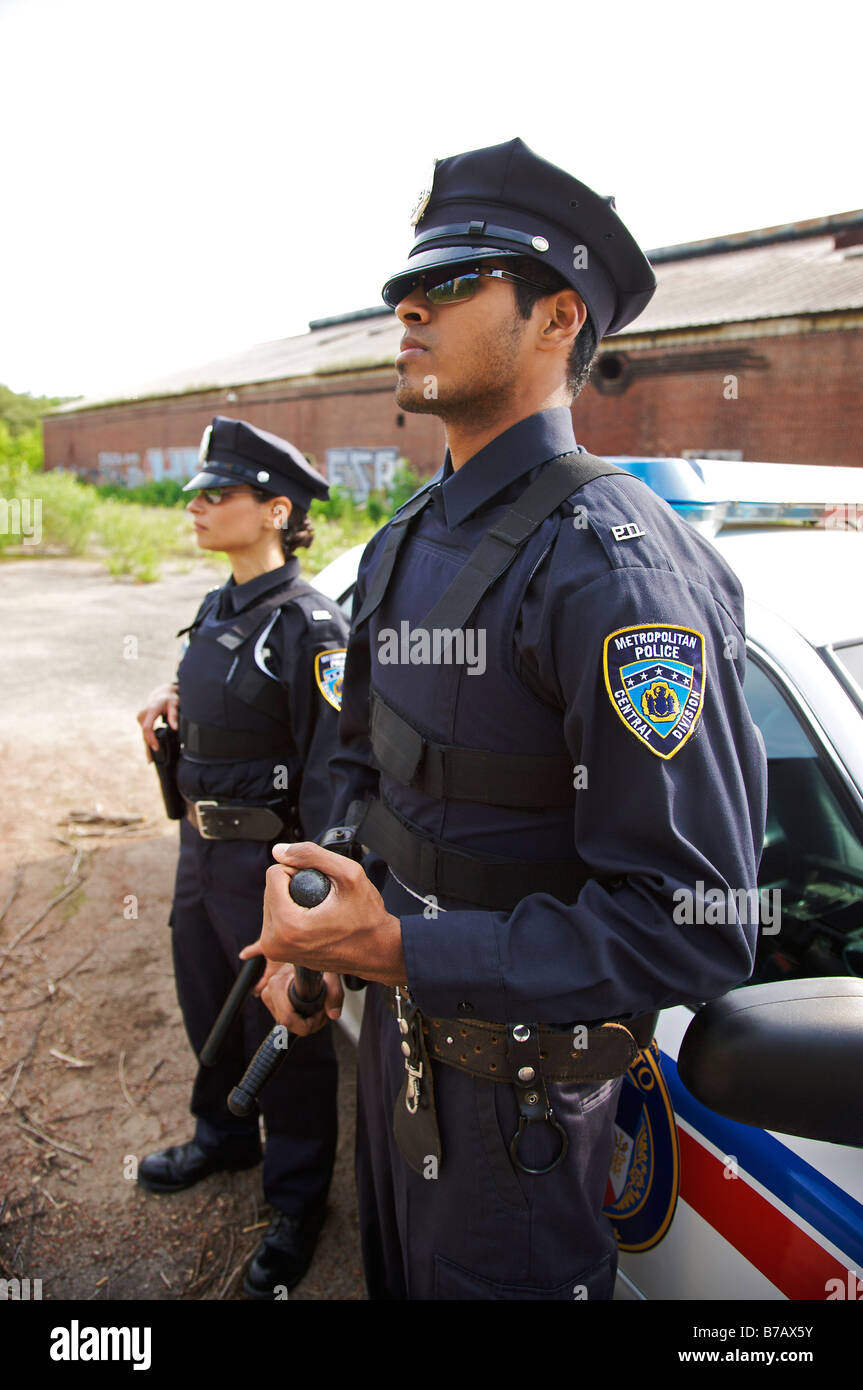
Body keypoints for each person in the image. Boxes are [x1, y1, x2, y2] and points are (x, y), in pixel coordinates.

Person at [246, 138, 768, 1300]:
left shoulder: (615, 573)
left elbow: (688, 922)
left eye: (455, 281)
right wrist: (319, 925)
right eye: (403, 290)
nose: (409, 307)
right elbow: (359, 768)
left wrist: (397, 948)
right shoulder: (403, 540)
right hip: (393, 1049)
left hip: (522, 1112)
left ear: (556, 317)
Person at [136, 415, 349, 1298]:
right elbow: (216, 706)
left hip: (271, 868)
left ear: (275, 510)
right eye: (195, 493)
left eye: (215, 494)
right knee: (207, 1008)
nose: (196, 506)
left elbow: (338, 770)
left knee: (287, 1033)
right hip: (202, 855)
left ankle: (297, 1200)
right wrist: (168, 712)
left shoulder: (310, 626)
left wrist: (314, 899)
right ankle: (222, 1137)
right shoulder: (218, 607)